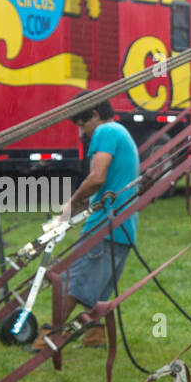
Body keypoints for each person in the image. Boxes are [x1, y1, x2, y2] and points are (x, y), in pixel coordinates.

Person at [34, 96, 140, 350]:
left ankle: (49, 337)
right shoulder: (121, 132)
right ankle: (95, 335)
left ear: (94, 114)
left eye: (82, 125)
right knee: (96, 284)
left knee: (74, 281)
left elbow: (96, 178)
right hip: (123, 227)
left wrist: (70, 202)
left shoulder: (105, 131)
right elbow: (105, 186)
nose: (82, 133)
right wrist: (68, 214)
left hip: (104, 225)